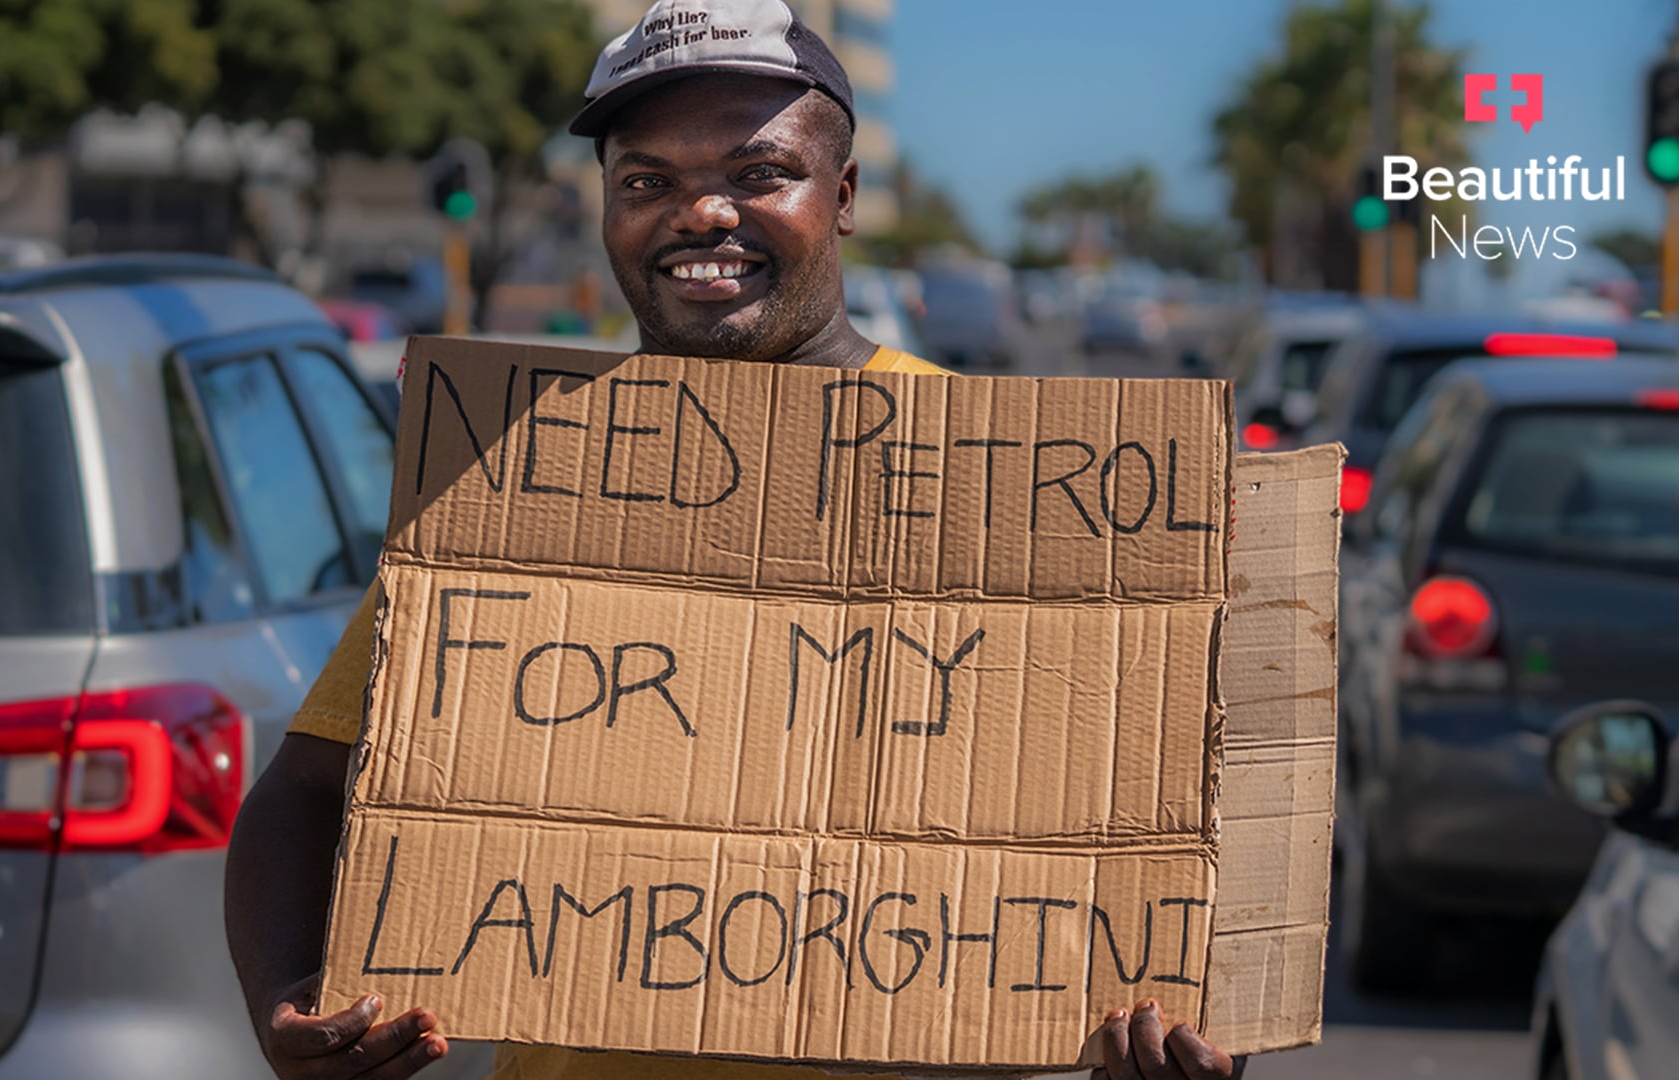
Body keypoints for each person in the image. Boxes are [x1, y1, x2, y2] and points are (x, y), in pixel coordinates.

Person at [224, 3, 1241, 1079]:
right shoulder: (522, 472)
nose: (702, 212)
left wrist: (1192, 1028)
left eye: (759, 174)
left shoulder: (1007, 483)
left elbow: (1172, 832)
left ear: (841, 197)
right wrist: (282, 999)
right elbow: (305, 790)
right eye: (646, 182)